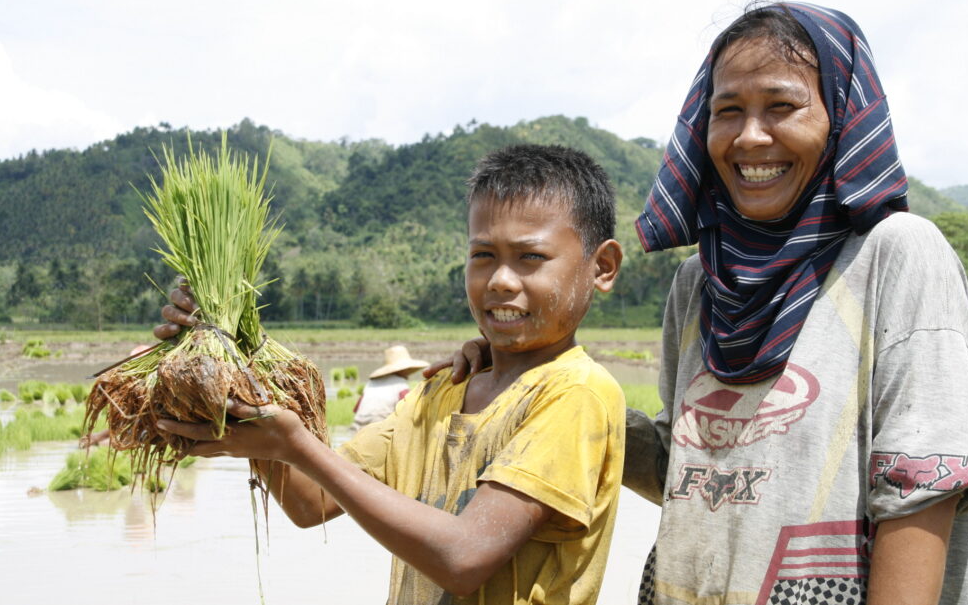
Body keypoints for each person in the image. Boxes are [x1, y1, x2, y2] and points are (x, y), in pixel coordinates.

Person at [430, 2, 968, 605]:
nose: (751, 137)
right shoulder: (701, 282)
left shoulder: (896, 256)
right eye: (728, 111)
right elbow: (683, 468)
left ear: (842, 119)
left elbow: (920, 487)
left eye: (782, 107)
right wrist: (532, 377)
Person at [156, 144, 627, 604]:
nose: (501, 279)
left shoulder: (577, 394)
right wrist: (231, 368)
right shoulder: (441, 392)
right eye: (483, 255)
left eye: (531, 257)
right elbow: (311, 501)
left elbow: (464, 557)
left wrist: (295, 444)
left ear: (602, 267)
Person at [352, 345, 426, 430]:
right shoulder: (400, 384)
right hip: (378, 428)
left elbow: (356, 409)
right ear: (403, 370)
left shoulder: (371, 383)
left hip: (357, 427)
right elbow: (410, 409)